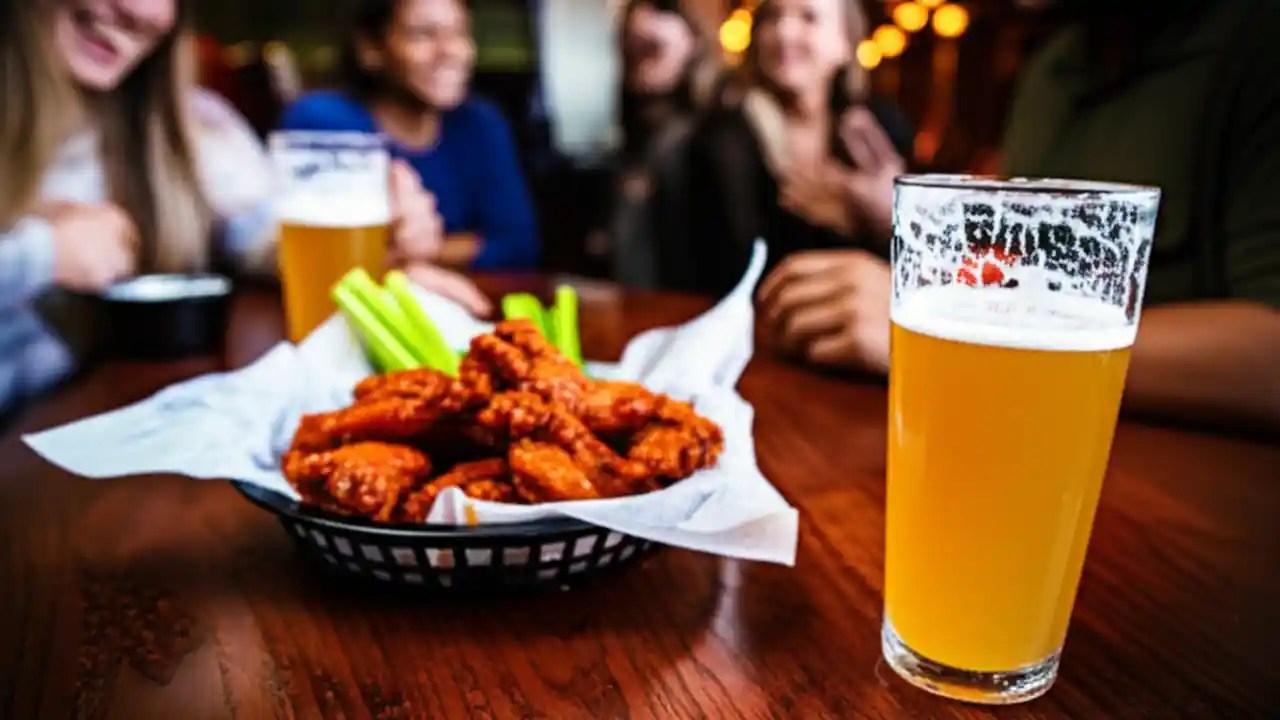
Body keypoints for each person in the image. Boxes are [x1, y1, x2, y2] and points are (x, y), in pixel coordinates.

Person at [762, 0, 1280, 432]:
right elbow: (1020, 269)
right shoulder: (1050, 67)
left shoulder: (1254, 41)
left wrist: (947, 336)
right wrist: (897, 225)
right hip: (1003, 432)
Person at [0, 0, 488, 416]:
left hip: (93, 432)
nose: (140, 8)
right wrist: (41, 254)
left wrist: (381, 255)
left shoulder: (195, 125)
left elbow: (262, 234)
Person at [279, 0, 540, 272]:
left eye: (460, 33)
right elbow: (324, 256)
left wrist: (422, 250)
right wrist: (452, 249)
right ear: (371, 49)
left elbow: (517, 244)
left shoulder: (481, 124)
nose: (450, 51)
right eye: (423, 34)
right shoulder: (324, 122)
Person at [679, 0, 911, 296]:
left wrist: (891, 219)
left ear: (845, 42)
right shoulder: (724, 137)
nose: (784, 32)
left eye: (809, 18)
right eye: (772, 17)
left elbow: (915, 270)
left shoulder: (881, 130)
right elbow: (719, 270)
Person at [606, 0, 722, 287]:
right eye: (633, 54)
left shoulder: (718, 135)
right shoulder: (637, 140)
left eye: (662, 9)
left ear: (693, 41)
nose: (643, 21)